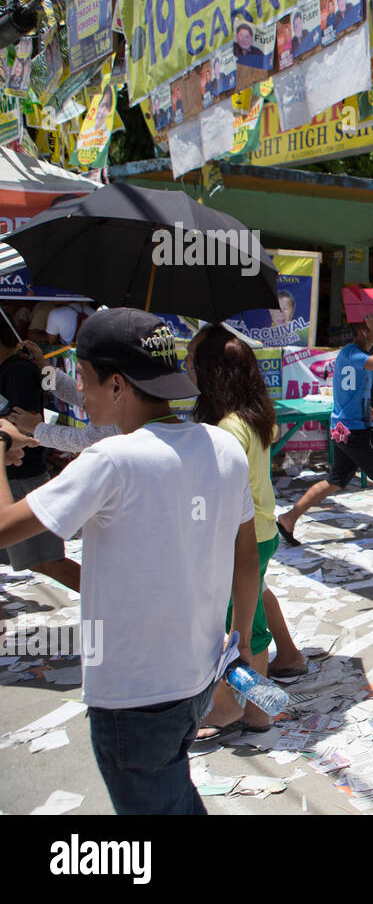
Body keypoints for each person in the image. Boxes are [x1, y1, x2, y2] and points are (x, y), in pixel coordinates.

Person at [0, 309, 260, 814]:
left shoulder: (112, 460)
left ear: (118, 385)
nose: (79, 389)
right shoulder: (224, 447)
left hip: (132, 696)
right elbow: (246, 560)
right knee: (173, 795)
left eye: (84, 377)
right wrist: (243, 643)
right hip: (199, 678)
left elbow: (5, 527)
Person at [188, 325, 307, 735]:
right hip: (262, 531)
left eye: (192, 362)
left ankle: (253, 711)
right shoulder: (252, 416)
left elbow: (222, 495)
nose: (186, 369)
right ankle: (261, 702)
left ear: (211, 374)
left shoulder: (226, 430)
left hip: (242, 539)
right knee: (252, 609)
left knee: (246, 632)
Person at [276, 315, 373, 550]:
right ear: (364, 332)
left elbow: (350, 392)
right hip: (355, 432)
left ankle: (288, 518)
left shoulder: (347, 354)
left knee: (336, 480)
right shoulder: (355, 355)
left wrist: (371, 412)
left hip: (342, 429)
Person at [0, 326, 80, 591]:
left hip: (23, 475)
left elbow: (28, 423)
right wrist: (45, 368)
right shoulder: (22, 369)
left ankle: (119, 601)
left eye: (86, 374)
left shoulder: (17, 370)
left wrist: (35, 429)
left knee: (47, 560)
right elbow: (71, 394)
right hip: (18, 472)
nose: (81, 380)